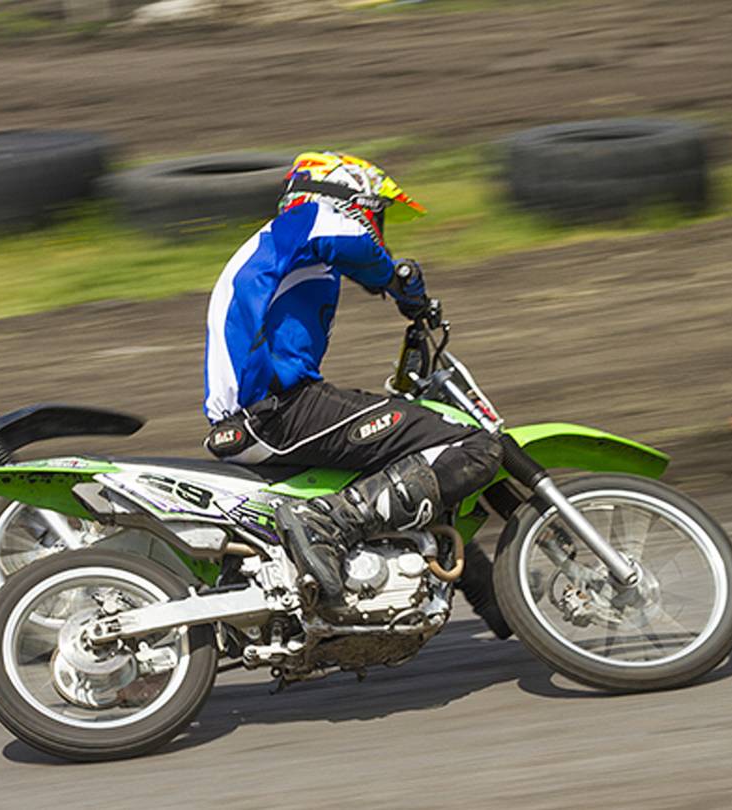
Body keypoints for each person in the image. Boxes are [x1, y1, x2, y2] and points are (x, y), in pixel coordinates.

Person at [202, 151, 511, 638]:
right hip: (277, 410)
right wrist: (400, 281)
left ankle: (493, 599)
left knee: (407, 467)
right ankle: (328, 525)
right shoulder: (306, 220)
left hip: (267, 411)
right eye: (377, 215)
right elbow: (352, 243)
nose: (378, 228)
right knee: (472, 444)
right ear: (352, 204)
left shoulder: (288, 253)